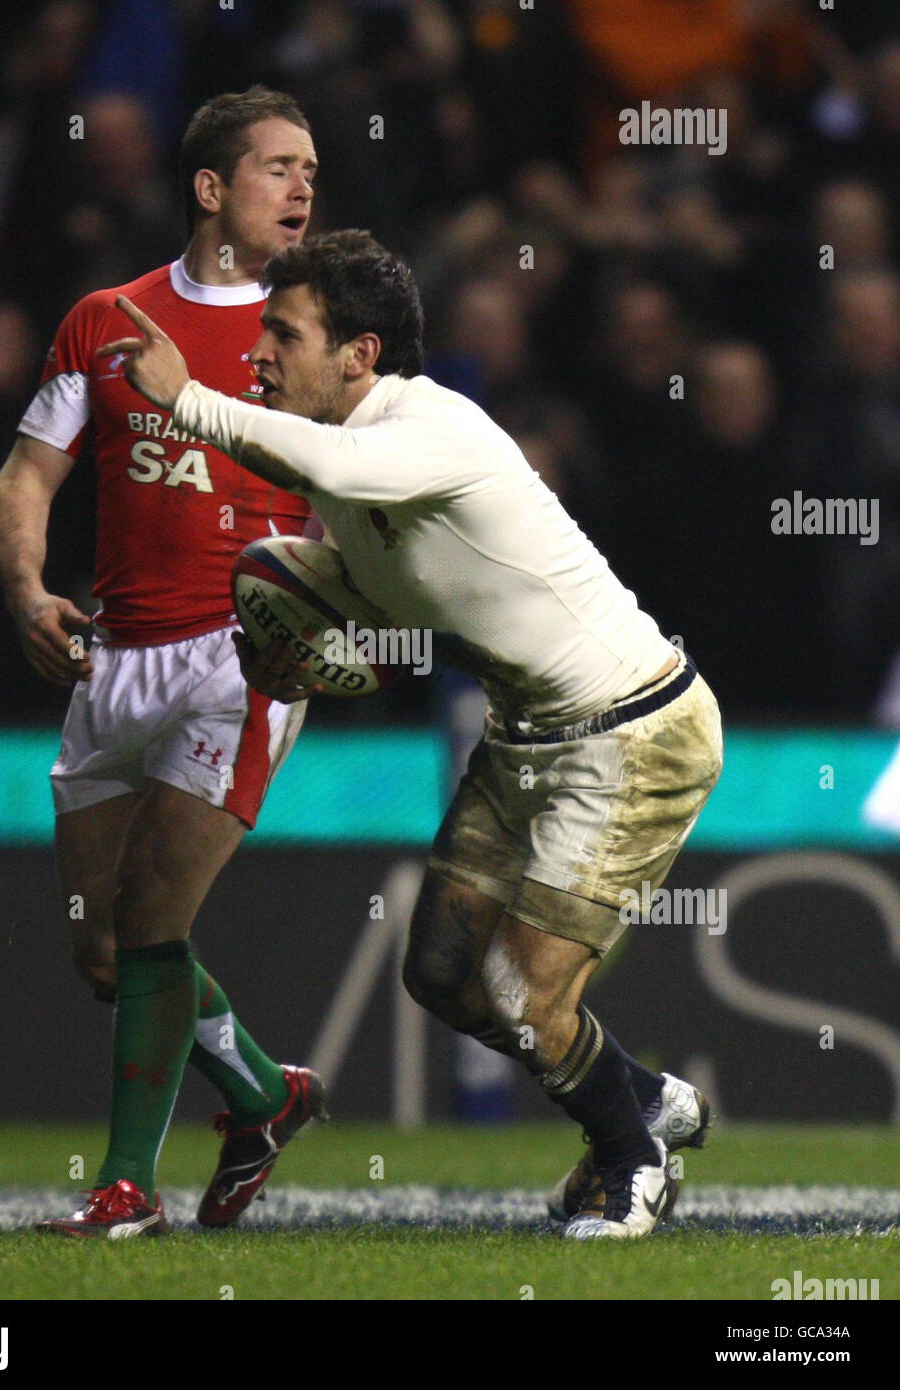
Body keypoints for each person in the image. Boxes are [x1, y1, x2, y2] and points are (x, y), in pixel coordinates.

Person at [102, 229, 725, 1240]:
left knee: (525, 992)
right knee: (439, 971)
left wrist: (183, 397)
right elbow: (351, 610)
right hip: (524, 737)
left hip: (630, 736)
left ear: (360, 356)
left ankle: (628, 1157)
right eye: (261, 329)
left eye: (284, 333)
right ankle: (634, 1096)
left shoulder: (429, 429)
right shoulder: (347, 487)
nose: (259, 352)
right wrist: (289, 649)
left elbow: (322, 458)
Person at [0, 88, 327, 1239]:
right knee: (101, 947)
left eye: (311, 170)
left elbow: (357, 496)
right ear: (209, 188)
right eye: (277, 167)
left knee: (148, 922)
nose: (300, 188)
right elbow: (24, 481)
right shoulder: (107, 319)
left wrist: (337, 618)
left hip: (239, 659)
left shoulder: (314, 333)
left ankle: (125, 1190)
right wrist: (29, 592)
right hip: (113, 660)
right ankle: (263, 1094)